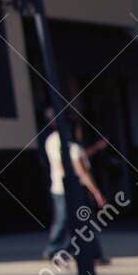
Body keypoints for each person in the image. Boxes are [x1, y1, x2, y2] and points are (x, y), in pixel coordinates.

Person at [44, 111, 107, 261]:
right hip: (67, 188)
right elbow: (81, 170)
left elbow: (80, 157)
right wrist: (97, 193)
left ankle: (93, 253)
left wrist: (96, 148)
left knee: (82, 220)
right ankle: (54, 249)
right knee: (66, 219)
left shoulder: (65, 144)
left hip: (65, 187)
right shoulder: (64, 144)